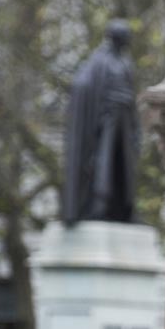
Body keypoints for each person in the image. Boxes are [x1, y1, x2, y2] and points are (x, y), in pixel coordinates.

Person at [63, 19, 139, 225]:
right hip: (107, 116)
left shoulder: (125, 62)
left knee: (124, 162)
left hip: (124, 116)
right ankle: (99, 204)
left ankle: (124, 207)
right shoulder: (99, 61)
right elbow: (83, 84)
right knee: (104, 160)